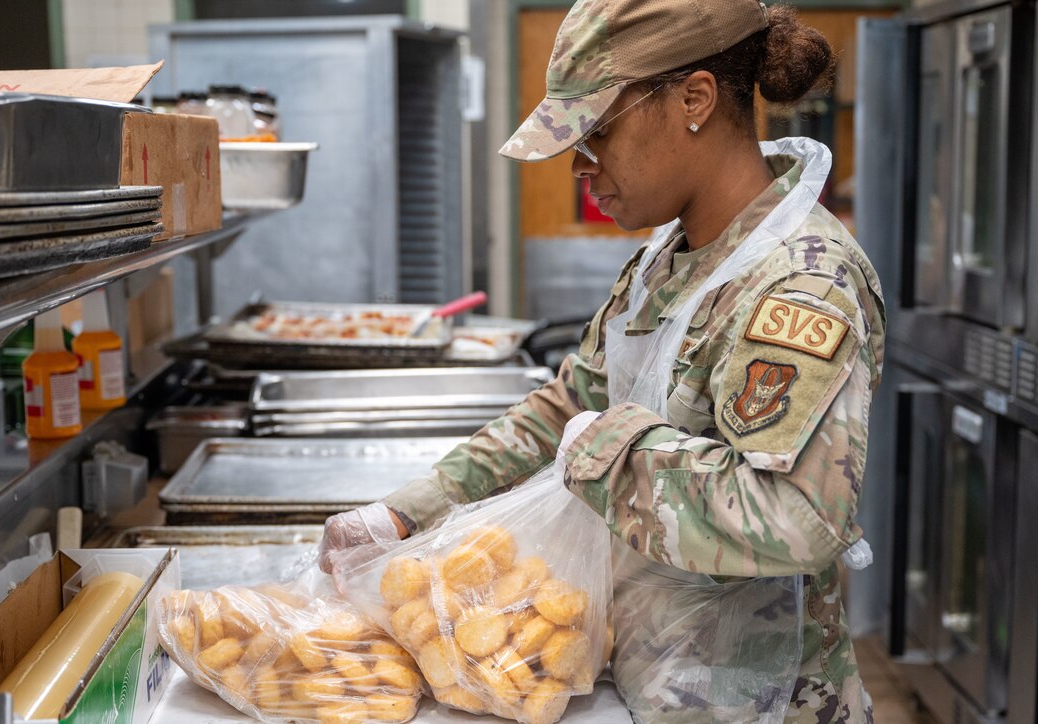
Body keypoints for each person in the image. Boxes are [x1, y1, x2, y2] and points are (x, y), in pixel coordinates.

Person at [320, 0, 885, 721]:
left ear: (695, 99)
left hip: (764, 701)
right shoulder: (666, 260)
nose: (582, 164)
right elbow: (568, 406)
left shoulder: (800, 283)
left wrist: (611, 452)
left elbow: (798, 518)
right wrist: (404, 513)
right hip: (657, 679)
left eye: (599, 132)